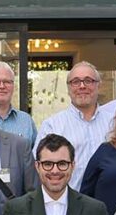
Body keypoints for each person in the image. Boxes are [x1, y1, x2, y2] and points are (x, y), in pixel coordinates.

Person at [35, 62, 111, 191]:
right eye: (75, 82)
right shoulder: (52, 126)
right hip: (69, 201)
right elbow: (41, 170)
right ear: (68, 88)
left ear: (98, 85)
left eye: (88, 81)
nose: (82, 86)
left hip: (108, 198)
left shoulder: (114, 123)